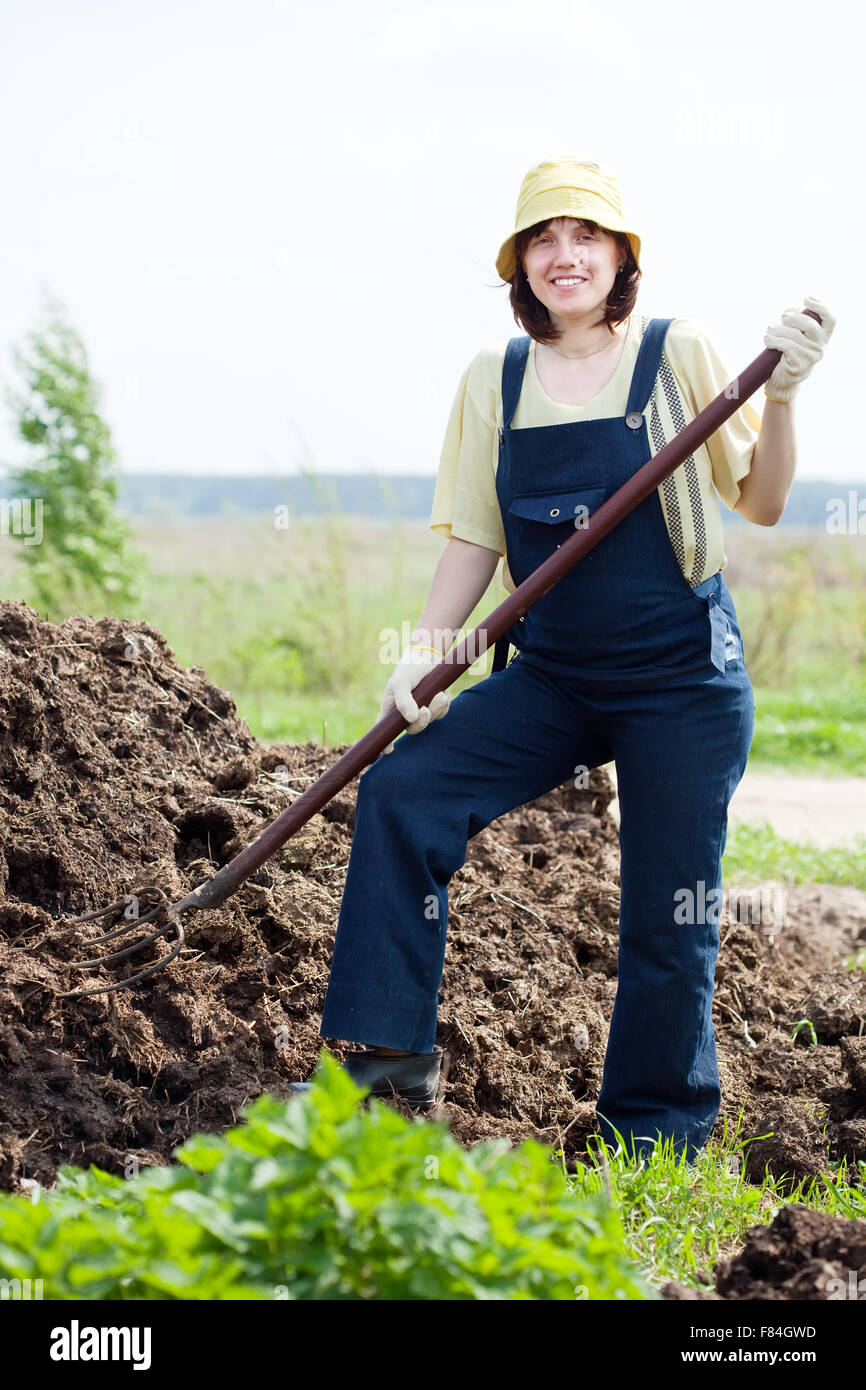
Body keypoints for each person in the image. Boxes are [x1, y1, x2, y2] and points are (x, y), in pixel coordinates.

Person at [290, 157, 835, 1161]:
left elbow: (757, 502)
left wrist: (788, 395)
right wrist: (422, 654)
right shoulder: (493, 378)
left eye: (584, 234)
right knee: (403, 792)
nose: (563, 254)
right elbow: (474, 541)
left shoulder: (679, 354)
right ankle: (383, 1076)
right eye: (542, 238)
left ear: (620, 255)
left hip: (680, 678)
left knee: (666, 905)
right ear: (520, 264)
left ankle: (649, 1137)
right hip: (551, 676)